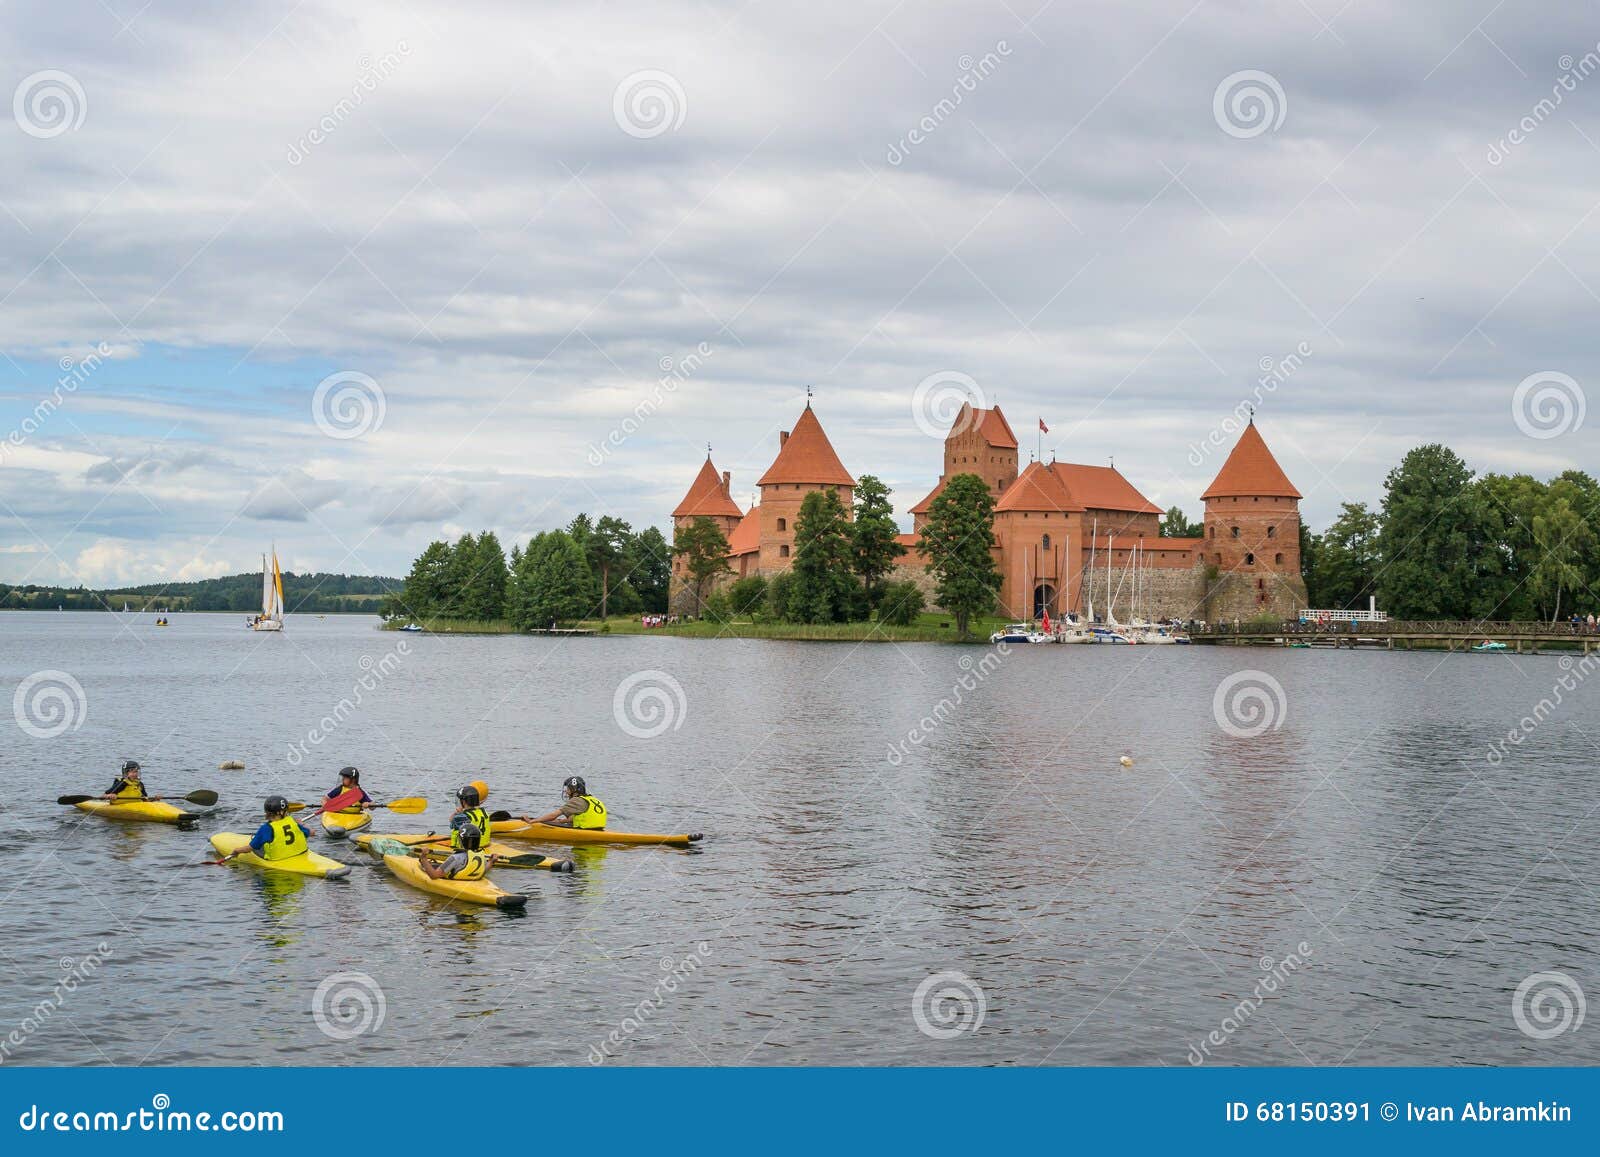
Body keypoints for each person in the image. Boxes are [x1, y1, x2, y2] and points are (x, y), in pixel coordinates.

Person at [225, 796, 311, 862]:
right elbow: (311, 833)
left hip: (278, 859)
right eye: (286, 810)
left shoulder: (266, 828)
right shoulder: (293, 822)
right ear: (280, 812)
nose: (287, 812)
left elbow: (249, 848)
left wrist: (236, 851)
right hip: (300, 853)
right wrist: (301, 823)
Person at [416, 823, 498, 881]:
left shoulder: (455, 858)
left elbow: (434, 876)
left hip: (456, 880)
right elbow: (482, 871)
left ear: (462, 840)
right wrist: (491, 862)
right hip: (469, 880)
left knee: (423, 865)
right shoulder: (481, 856)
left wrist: (423, 858)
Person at [523, 776, 607, 830]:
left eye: (568, 789)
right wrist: (560, 821)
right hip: (599, 829)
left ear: (574, 790)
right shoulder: (593, 799)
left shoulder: (576, 800)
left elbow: (553, 815)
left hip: (586, 830)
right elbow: (574, 818)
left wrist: (533, 821)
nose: (566, 792)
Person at [450, 785, 494, 851]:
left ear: (464, 802)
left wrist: (456, 813)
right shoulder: (484, 812)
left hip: (467, 848)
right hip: (485, 845)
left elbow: (451, 821)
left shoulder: (461, 817)